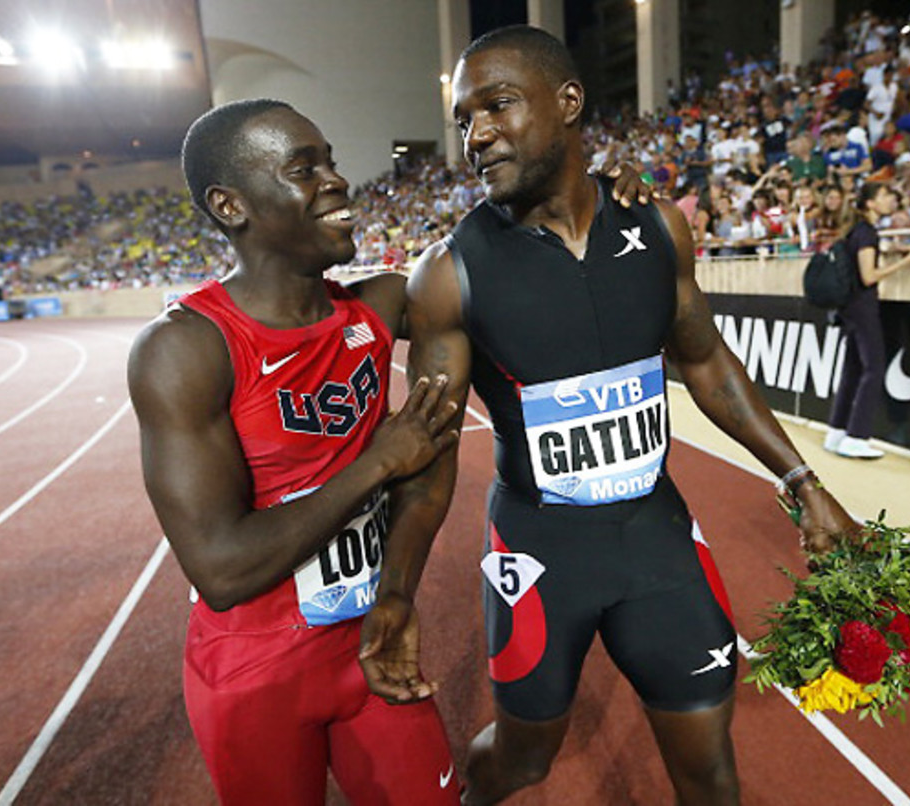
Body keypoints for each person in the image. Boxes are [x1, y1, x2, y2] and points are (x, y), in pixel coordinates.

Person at [357, 26, 857, 805]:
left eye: (498, 106)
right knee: (522, 762)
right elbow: (433, 451)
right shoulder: (451, 274)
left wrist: (800, 477)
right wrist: (397, 592)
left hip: (657, 539)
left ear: (568, 103)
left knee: (709, 765)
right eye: (464, 119)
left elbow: (704, 361)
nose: (476, 134)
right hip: (540, 549)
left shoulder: (657, 226)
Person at [126, 99, 465, 805]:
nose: (338, 181)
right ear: (231, 205)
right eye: (304, 169)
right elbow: (221, 568)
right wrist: (377, 462)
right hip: (255, 672)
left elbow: (496, 260)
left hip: (371, 642)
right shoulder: (185, 348)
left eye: (332, 162)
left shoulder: (381, 304)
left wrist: (609, 196)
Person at [824, 183, 910, 459]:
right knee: (874, 368)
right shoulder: (866, 232)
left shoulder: (855, 231)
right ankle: (857, 436)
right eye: (885, 195)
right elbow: (868, 276)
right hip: (863, 306)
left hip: (849, 307)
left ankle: (836, 431)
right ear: (870, 203)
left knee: (853, 369)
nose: (891, 200)